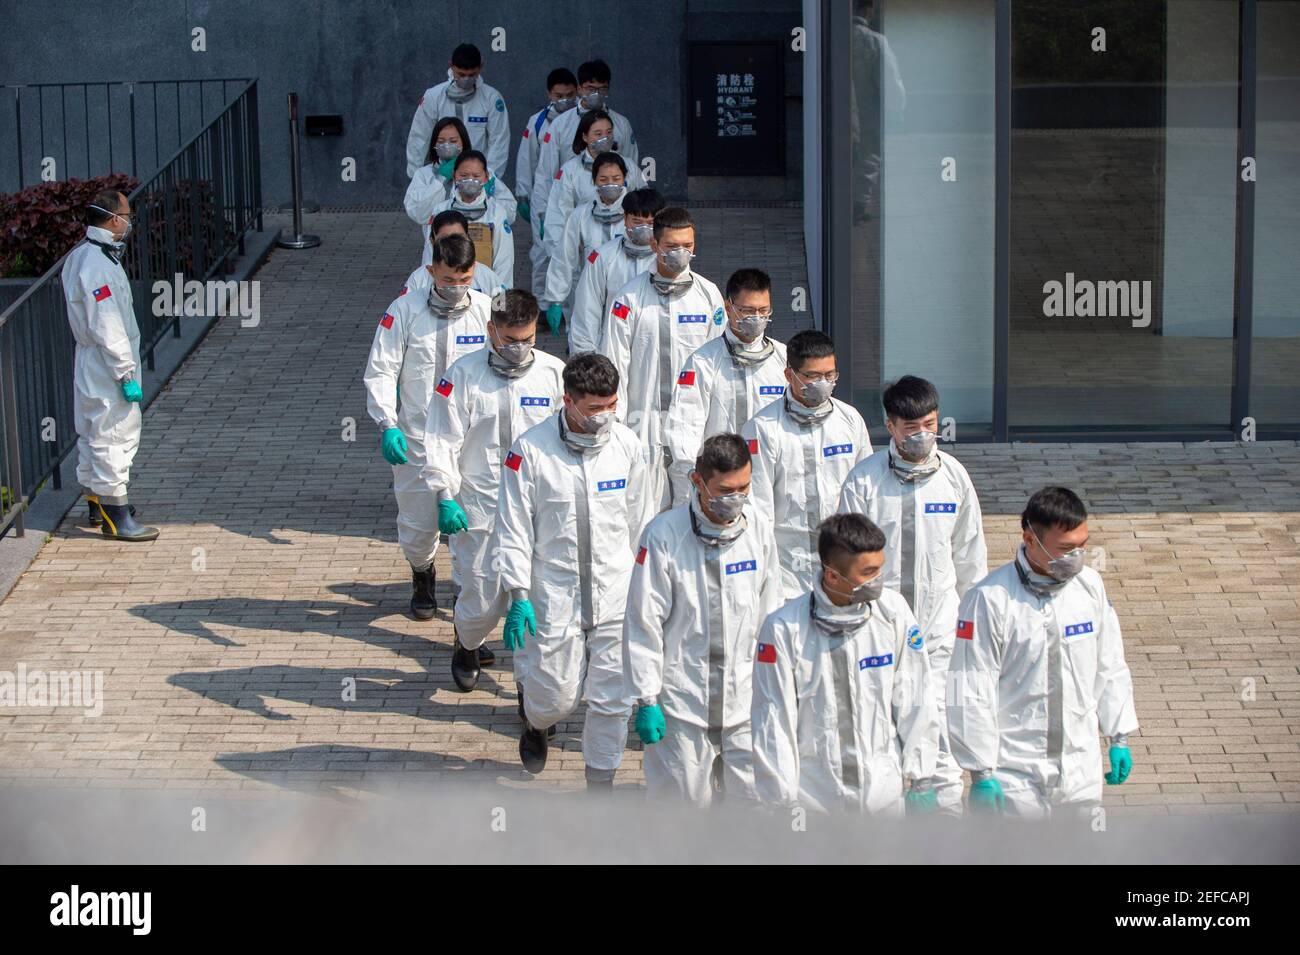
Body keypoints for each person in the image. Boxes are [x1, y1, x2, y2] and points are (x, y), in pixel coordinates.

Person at [493, 353, 651, 786]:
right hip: (554, 593)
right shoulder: (530, 452)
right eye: (594, 408)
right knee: (556, 697)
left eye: (611, 405)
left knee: (612, 701)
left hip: (615, 592)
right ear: (567, 400)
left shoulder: (628, 447)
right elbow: (513, 527)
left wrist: (648, 590)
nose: (604, 417)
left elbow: (641, 523)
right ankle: (535, 718)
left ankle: (600, 785)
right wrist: (518, 593)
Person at [837, 375, 987, 814]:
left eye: (930, 423)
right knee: (876, 727)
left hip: (938, 629)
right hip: (877, 629)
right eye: (911, 426)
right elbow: (844, 561)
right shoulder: (863, 482)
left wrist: (969, 629)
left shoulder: (954, 479)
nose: (922, 434)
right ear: (890, 425)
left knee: (936, 727)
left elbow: (969, 557)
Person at [947, 486, 1138, 819]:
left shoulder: (1090, 587)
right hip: (1015, 774)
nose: (1076, 557)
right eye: (1065, 549)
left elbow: (1110, 664)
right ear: (1030, 539)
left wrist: (1118, 735)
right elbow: (969, 689)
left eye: (1082, 546)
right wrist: (981, 772)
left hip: (1080, 766)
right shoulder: (989, 600)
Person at [623, 433, 779, 806]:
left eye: (744, 487)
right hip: (682, 706)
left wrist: (778, 686)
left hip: (744, 702)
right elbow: (644, 621)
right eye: (725, 490)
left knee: (754, 806)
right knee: (682, 811)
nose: (736, 499)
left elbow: (769, 612)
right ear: (697, 481)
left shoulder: (757, 527)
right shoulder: (663, 536)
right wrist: (646, 699)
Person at [750, 513, 940, 814]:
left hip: (883, 796)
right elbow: (774, 723)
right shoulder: (783, 630)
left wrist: (922, 777)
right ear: (832, 576)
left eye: (880, 569)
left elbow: (916, 697)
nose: (878, 581)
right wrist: (782, 802)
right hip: (816, 801)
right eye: (868, 573)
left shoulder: (893, 614)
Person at [423, 289, 564, 690]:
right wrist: (444, 494)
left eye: (527, 339)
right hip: (480, 506)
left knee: (539, 601)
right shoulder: (462, 376)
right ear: (491, 330)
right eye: (510, 339)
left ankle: (531, 693)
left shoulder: (554, 374)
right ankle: (467, 641)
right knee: (481, 599)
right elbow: (442, 438)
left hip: (537, 510)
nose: (519, 348)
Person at [364, 234, 492, 618]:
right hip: (416, 438)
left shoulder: (487, 314)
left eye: (464, 280)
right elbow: (382, 368)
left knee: (474, 526)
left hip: (469, 442)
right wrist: (387, 422)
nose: (456, 288)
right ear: (432, 270)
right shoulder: (404, 310)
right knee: (418, 524)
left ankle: (467, 593)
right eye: (448, 279)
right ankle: (422, 571)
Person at [599, 207, 725, 513]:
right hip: (643, 429)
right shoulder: (628, 300)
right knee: (641, 520)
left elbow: (719, 369)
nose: (680, 253)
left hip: (696, 429)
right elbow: (614, 367)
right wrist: (617, 430)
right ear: (655, 246)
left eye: (687, 246)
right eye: (672, 246)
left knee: (695, 516)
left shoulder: (709, 297)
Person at [743, 330, 872, 601]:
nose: (822, 383)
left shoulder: (850, 421)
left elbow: (866, 492)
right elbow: (757, 506)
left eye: (829, 375)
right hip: (785, 568)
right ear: (790, 375)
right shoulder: (762, 429)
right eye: (812, 376)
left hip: (842, 563)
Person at [62, 189, 159, 541]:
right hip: (107, 362)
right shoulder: (97, 265)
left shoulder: (83, 257)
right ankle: (117, 516)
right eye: (127, 214)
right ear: (113, 218)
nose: (129, 221)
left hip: (91, 360)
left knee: (92, 431)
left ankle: (96, 503)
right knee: (116, 433)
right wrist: (125, 372)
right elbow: (108, 324)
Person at [665, 268, 787, 504]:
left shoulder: (783, 360)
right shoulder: (702, 362)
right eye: (748, 310)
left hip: (769, 482)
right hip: (719, 483)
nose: (756, 318)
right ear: (728, 307)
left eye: (763, 311)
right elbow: (684, 425)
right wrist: (694, 474)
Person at [530, 59, 638, 236]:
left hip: (614, 210)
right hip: (570, 202)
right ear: (579, 89)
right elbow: (546, 172)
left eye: (602, 88)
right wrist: (543, 213)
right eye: (590, 88)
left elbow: (630, 167)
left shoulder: (621, 125)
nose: (596, 93)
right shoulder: (560, 125)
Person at [542, 150, 643, 336]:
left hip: (630, 292)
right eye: (603, 179)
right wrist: (556, 299)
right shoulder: (580, 215)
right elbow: (564, 257)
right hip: (589, 294)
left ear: (625, 179)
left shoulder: (637, 217)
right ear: (594, 181)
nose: (610, 184)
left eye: (616, 178)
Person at [567, 187, 663, 355]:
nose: (644, 229)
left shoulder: (666, 259)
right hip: (612, 348)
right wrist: (585, 355)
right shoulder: (602, 257)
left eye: (650, 223)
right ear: (625, 219)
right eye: (637, 222)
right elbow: (587, 309)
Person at [541, 113, 645, 264]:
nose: (605, 138)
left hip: (624, 246)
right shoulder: (570, 171)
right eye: (598, 134)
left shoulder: (628, 166)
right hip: (585, 246)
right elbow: (558, 214)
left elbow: (645, 205)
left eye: (609, 133)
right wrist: (559, 255)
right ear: (584, 137)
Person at [515, 67, 579, 296]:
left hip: (574, 195)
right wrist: (524, 194)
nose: (564, 100)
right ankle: (542, 304)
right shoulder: (538, 122)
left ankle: (569, 303)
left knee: (573, 250)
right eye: (558, 96)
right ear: (548, 94)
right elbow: (527, 159)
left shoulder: (583, 121)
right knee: (542, 251)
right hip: (544, 195)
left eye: (570, 95)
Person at [405, 117, 516, 243]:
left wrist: (486, 196)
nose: (447, 146)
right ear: (434, 144)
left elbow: (510, 213)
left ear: (463, 143)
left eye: (453, 141)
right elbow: (418, 214)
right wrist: (439, 180)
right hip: (439, 246)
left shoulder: (483, 172)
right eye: (441, 141)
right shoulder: (424, 174)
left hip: (480, 243)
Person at [405, 43, 509, 178]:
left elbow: (499, 142)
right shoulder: (433, 96)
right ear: (451, 65)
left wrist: (489, 177)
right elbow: (419, 137)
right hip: (440, 174)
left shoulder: (492, 99)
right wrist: (415, 177)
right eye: (461, 74)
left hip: (475, 178)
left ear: (481, 67)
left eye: (472, 74)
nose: (466, 79)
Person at [426, 149, 515, 288]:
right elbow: (429, 254)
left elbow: (504, 261)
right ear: (454, 175)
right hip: (448, 287)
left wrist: (500, 300)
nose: (470, 180)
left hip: (485, 290)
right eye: (464, 175)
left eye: (476, 175)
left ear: (486, 177)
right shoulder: (440, 210)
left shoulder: (497, 212)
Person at [399, 210, 504, 300]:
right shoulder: (418, 279)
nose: (452, 244)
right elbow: (404, 311)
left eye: (458, 237)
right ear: (432, 241)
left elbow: (504, 314)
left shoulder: (488, 278)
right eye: (448, 280)